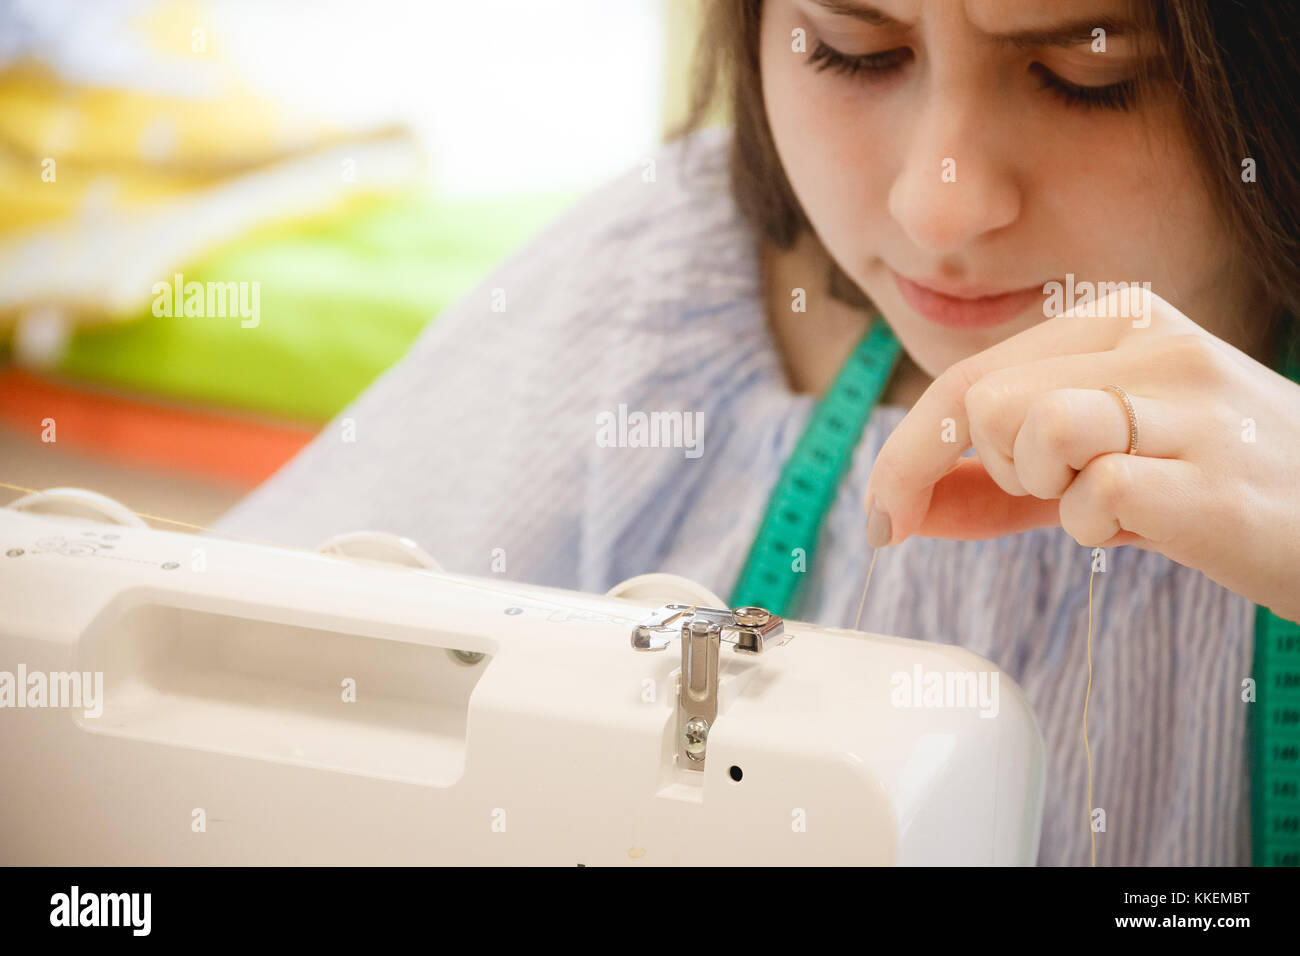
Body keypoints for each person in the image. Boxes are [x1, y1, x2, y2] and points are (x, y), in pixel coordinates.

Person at [215, 0, 1300, 865]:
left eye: (1088, 72)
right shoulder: (668, 290)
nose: (938, 206)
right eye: (851, 49)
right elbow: (239, 695)